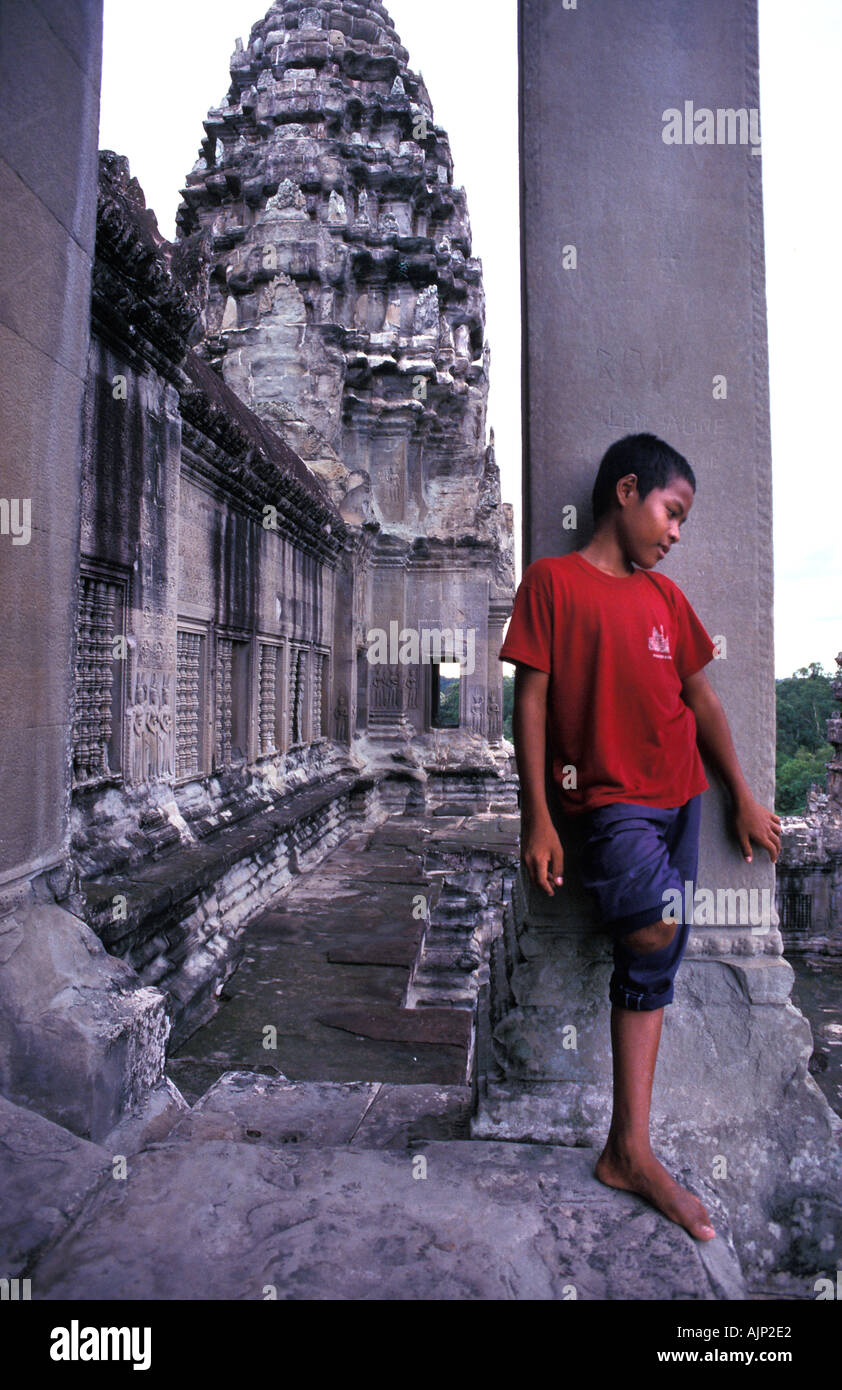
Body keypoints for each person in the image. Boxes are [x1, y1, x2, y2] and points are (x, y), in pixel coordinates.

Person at [498, 433, 781, 1242]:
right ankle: (630, 1149)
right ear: (627, 491)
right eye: (672, 512)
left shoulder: (665, 601)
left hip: (683, 797)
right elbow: (533, 703)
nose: (676, 533)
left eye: (685, 520)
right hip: (610, 803)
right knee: (655, 928)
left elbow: (704, 703)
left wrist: (743, 799)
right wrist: (538, 818)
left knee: (651, 962)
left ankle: (629, 1147)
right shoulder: (551, 584)